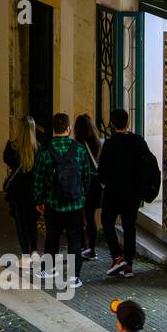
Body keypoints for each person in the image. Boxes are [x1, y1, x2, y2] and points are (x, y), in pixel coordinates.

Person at [32, 112, 96, 287]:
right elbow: (86, 176)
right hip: (75, 204)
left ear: (53, 130)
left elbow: (38, 178)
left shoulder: (44, 152)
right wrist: (82, 195)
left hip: (53, 204)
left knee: (52, 237)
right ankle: (74, 277)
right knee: (75, 239)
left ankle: (48, 269)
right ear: (68, 129)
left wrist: (39, 201)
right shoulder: (79, 150)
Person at [97, 108, 160, 279]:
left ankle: (117, 257)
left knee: (107, 222)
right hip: (132, 194)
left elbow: (101, 172)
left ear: (111, 123)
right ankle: (128, 266)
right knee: (129, 227)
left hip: (113, 193)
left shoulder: (109, 145)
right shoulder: (138, 141)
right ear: (128, 122)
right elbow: (149, 163)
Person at [2, 116, 40, 259]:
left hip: (17, 190)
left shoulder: (12, 147)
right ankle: (34, 250)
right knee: (32, 221)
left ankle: (25, 253)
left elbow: (6, 160)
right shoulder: (38, 147)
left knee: (20, 223)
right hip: (32, 190)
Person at [74, 114, 103, 261]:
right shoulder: (100, 143)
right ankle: (92, 249)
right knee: (91, 217)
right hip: (98, 184)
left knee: (81, 216)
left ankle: (82, 245)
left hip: (84, 184)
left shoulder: (77, 147)